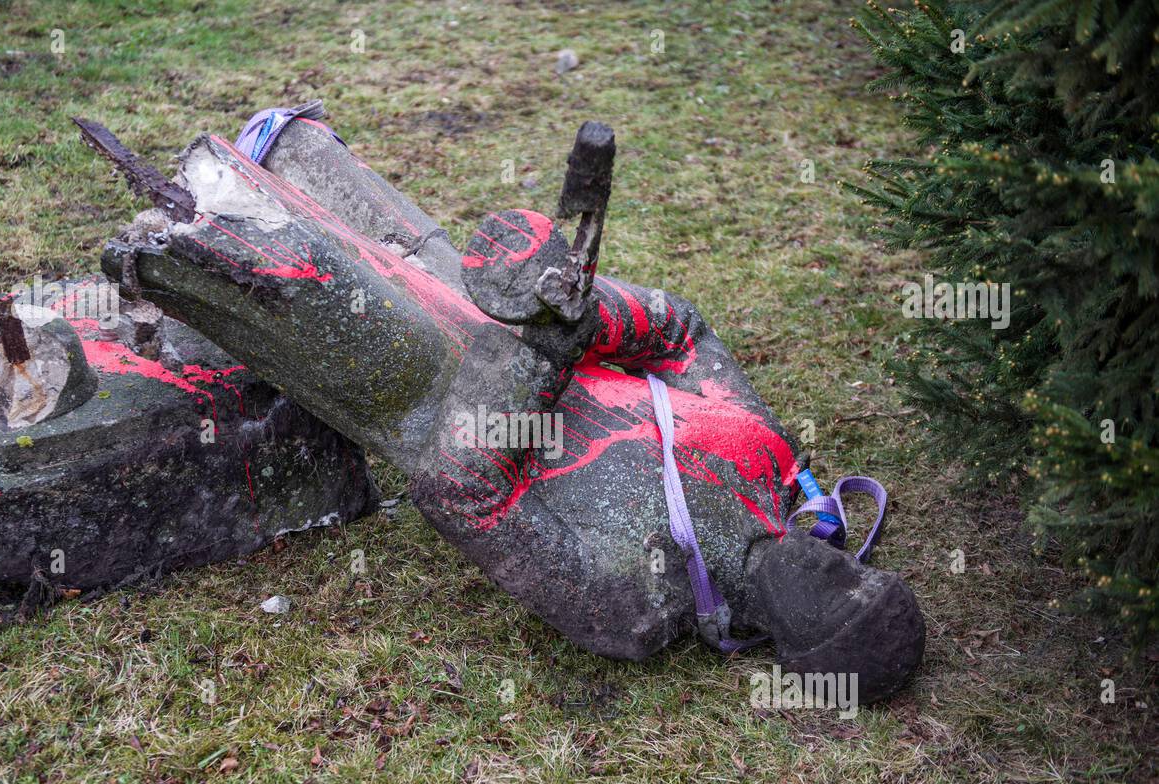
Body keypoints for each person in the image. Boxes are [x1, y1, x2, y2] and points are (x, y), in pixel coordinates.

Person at [96, 106, 924, 701]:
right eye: (861, 576)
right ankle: (264, 187)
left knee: (193, 233)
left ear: (794, 646)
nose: (837, 570)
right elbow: (683, 337)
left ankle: (179, 270)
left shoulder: (632, 603)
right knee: (296, 151)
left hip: (405, 373)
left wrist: (538, 359)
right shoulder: (768, 460)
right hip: (470, 287)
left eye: (839, 605)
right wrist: (587, 315)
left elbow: (462, 491)